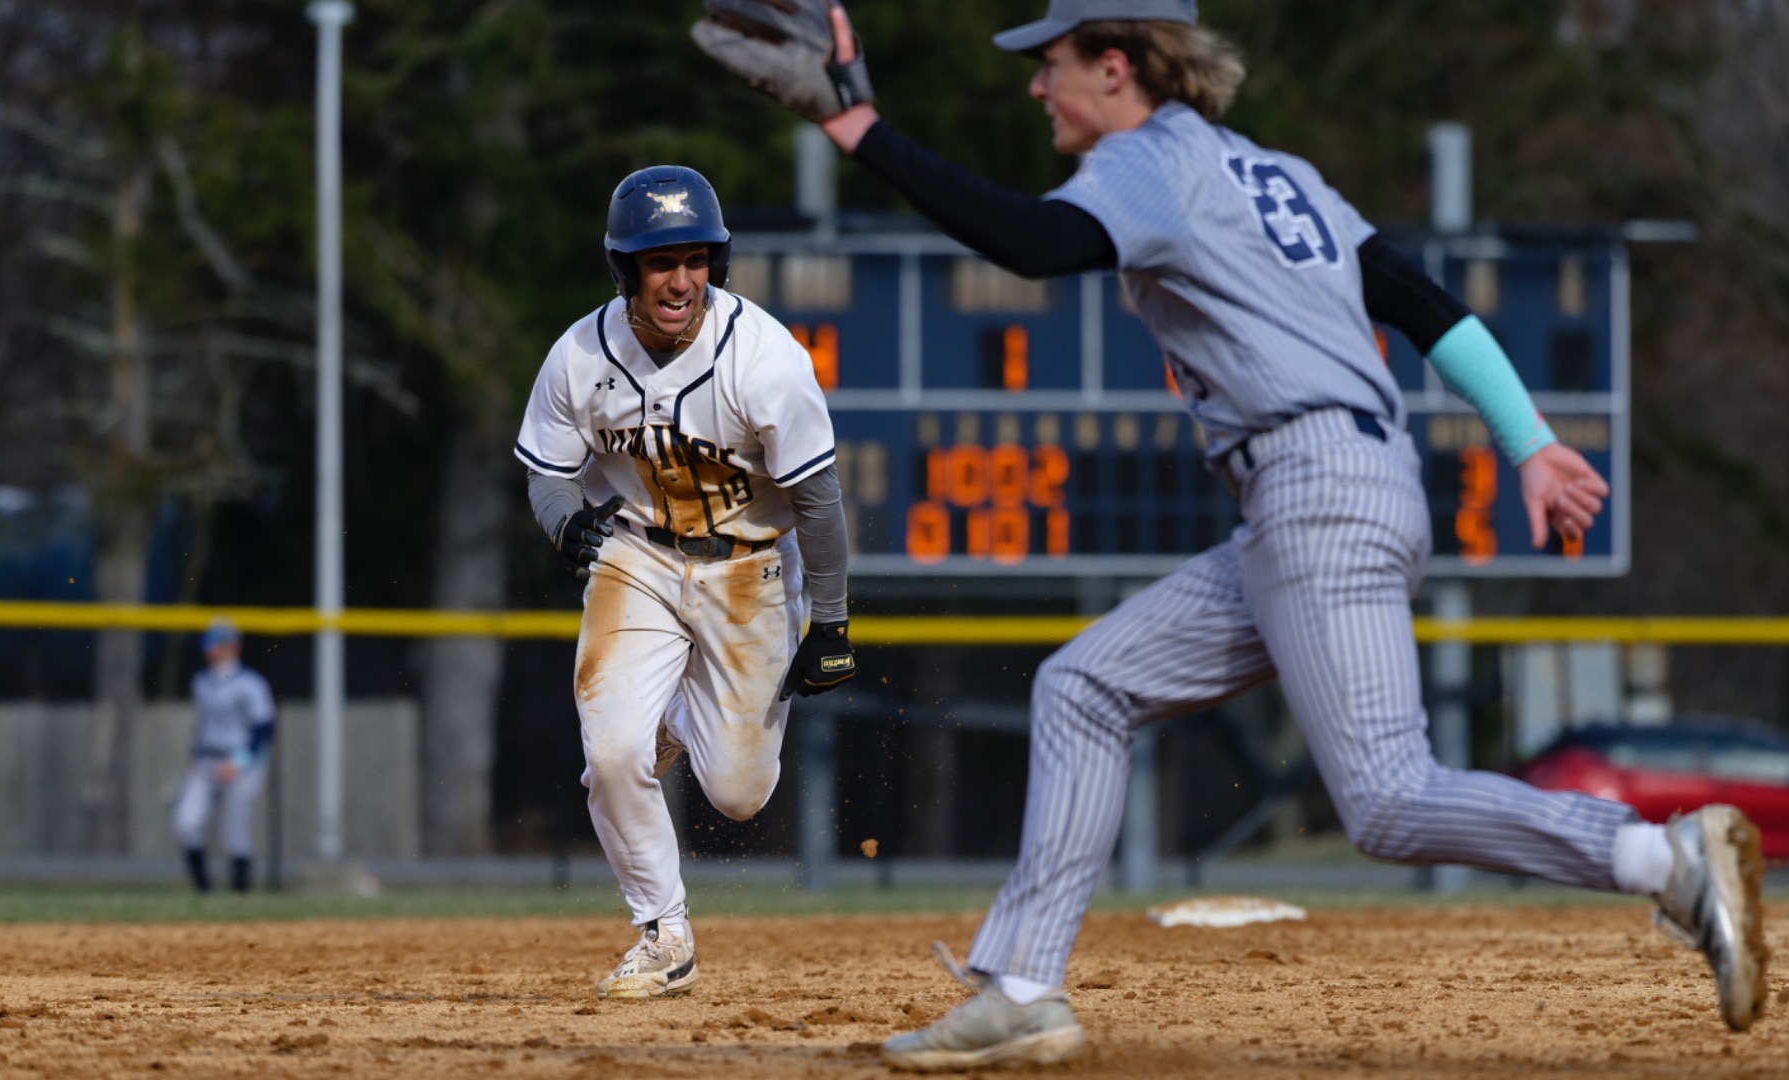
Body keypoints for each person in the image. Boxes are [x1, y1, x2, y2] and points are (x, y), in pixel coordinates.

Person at [692, 0, 1768, 1068]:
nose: (1036, 85)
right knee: (1083, 687)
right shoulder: (1274, 172)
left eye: (1053, 61)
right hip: (1322, 495)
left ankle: (1661, 858)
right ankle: (1022, 986)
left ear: (1117, 68)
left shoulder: (1148, 160)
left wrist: (856, 130)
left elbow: (1028, 242)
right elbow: (1417, 296)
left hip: (1316, 491)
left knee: (1389, 798)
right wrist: (1529, 440)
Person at [515, 164, 857, 1000]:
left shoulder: (765, 357)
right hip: (637, 557)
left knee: (739, 796)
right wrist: (565, 521)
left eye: (695, 258)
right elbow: (548, 472)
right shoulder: (579, 355)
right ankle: (663, 931)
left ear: (717, 262)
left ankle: (674, 716)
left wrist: (835, 621)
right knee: (613, 754)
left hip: (750, 571)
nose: (679, 279)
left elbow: (817, 497)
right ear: (623, 268)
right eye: (659, 260)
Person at [173, 618, 276, 894]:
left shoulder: (251, 684)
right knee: (186, 822)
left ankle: (240, 893)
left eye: (217, 644)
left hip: (241, 761)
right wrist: (194, 756)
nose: (212, 650)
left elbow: (264, 729)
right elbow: (202, 725)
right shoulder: (202, 682)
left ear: (233, 647)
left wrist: (239, 762)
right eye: (209, 644)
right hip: (207, 759)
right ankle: (204, 890)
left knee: (234, 832)